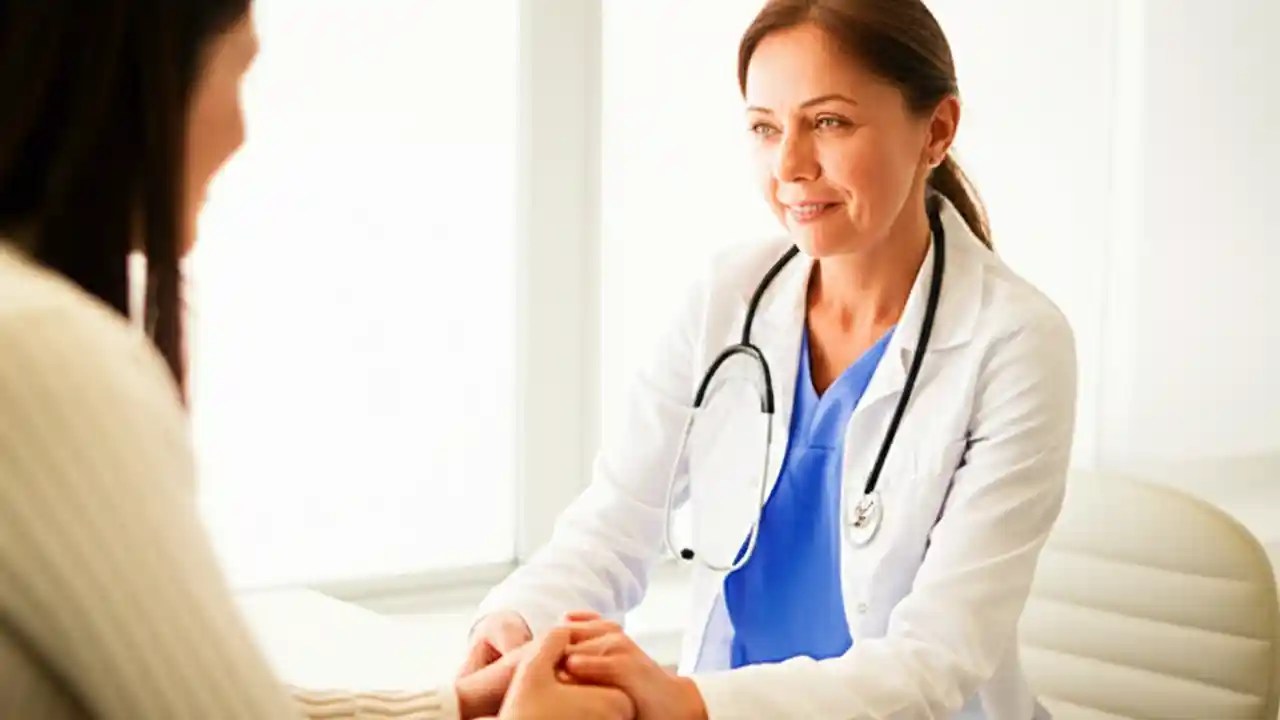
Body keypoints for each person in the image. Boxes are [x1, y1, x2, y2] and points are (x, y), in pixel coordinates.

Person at [0, 2, 631, 718]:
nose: (241, 133)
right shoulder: (47, 355)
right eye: (237, 72)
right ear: (136, 81)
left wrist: (452, 706)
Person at [462, 0, 1077, 717]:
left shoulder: (1015, 342)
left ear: (936, 130)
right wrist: (513, 622)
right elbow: (613, 521)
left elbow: (935, 658)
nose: (789, 165)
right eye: (764, 127)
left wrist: (686, 701)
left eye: (829, 122)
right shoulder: (727, 298)